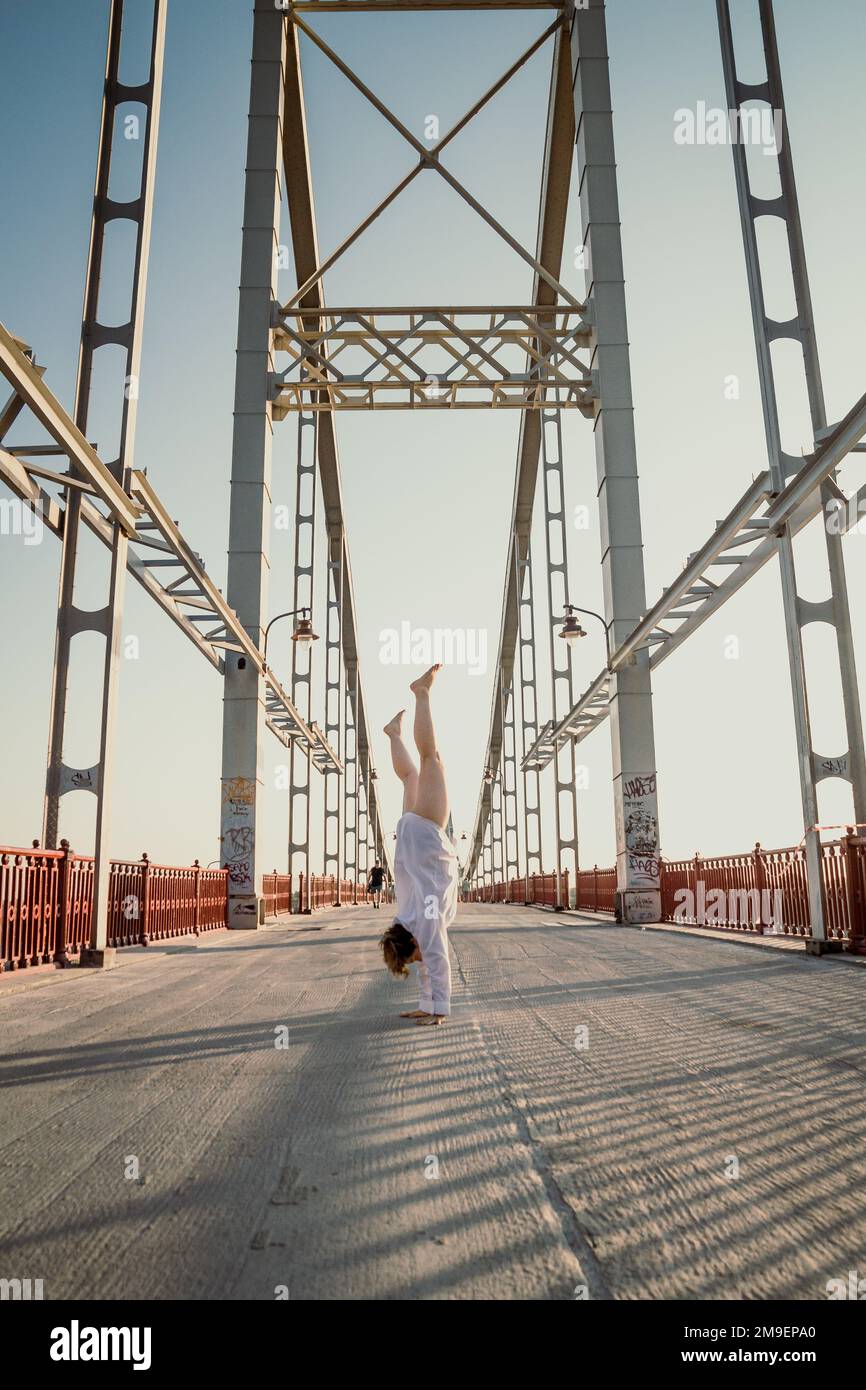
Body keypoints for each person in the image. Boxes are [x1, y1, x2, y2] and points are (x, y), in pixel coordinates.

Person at [379, 664, 459, 1026]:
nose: (420, 960)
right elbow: (428, 961)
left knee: (431, 759)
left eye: (412, 957)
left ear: (410, 942)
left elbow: (437, 959)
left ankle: (421, 692)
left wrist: (439, 1012)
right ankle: (394, 734)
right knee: (411, 775)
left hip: (425, 834)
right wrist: (425, 1006)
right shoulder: (406, 918)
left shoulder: (424, 923)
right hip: (409, 837)